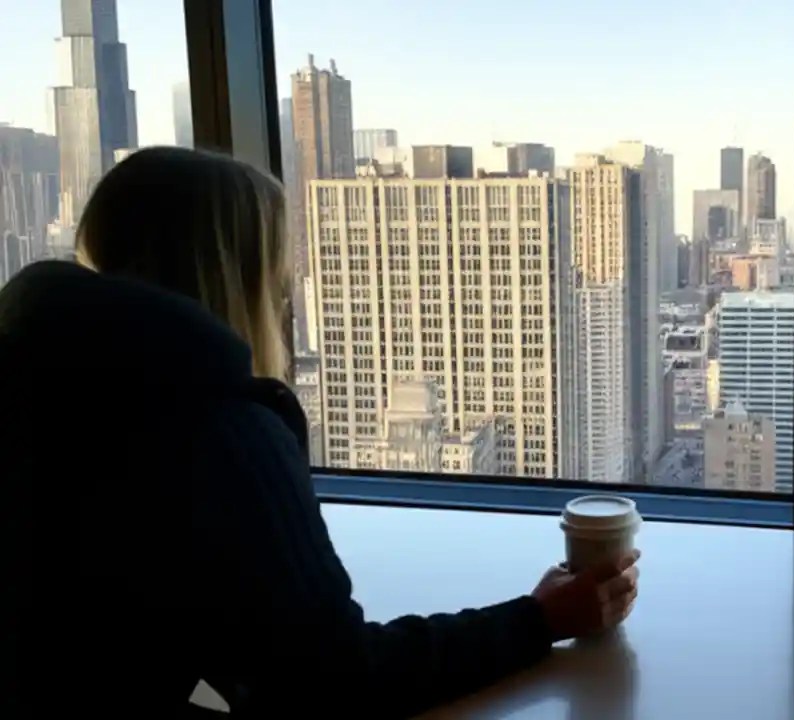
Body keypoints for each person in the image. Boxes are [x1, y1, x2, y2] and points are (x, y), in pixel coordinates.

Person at [0, 147, 639, 718]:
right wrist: (537, 619)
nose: (286, 293)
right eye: (277, 270)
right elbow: (337, 681)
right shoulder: (219, 435)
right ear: (234, 278)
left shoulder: (44, 391)